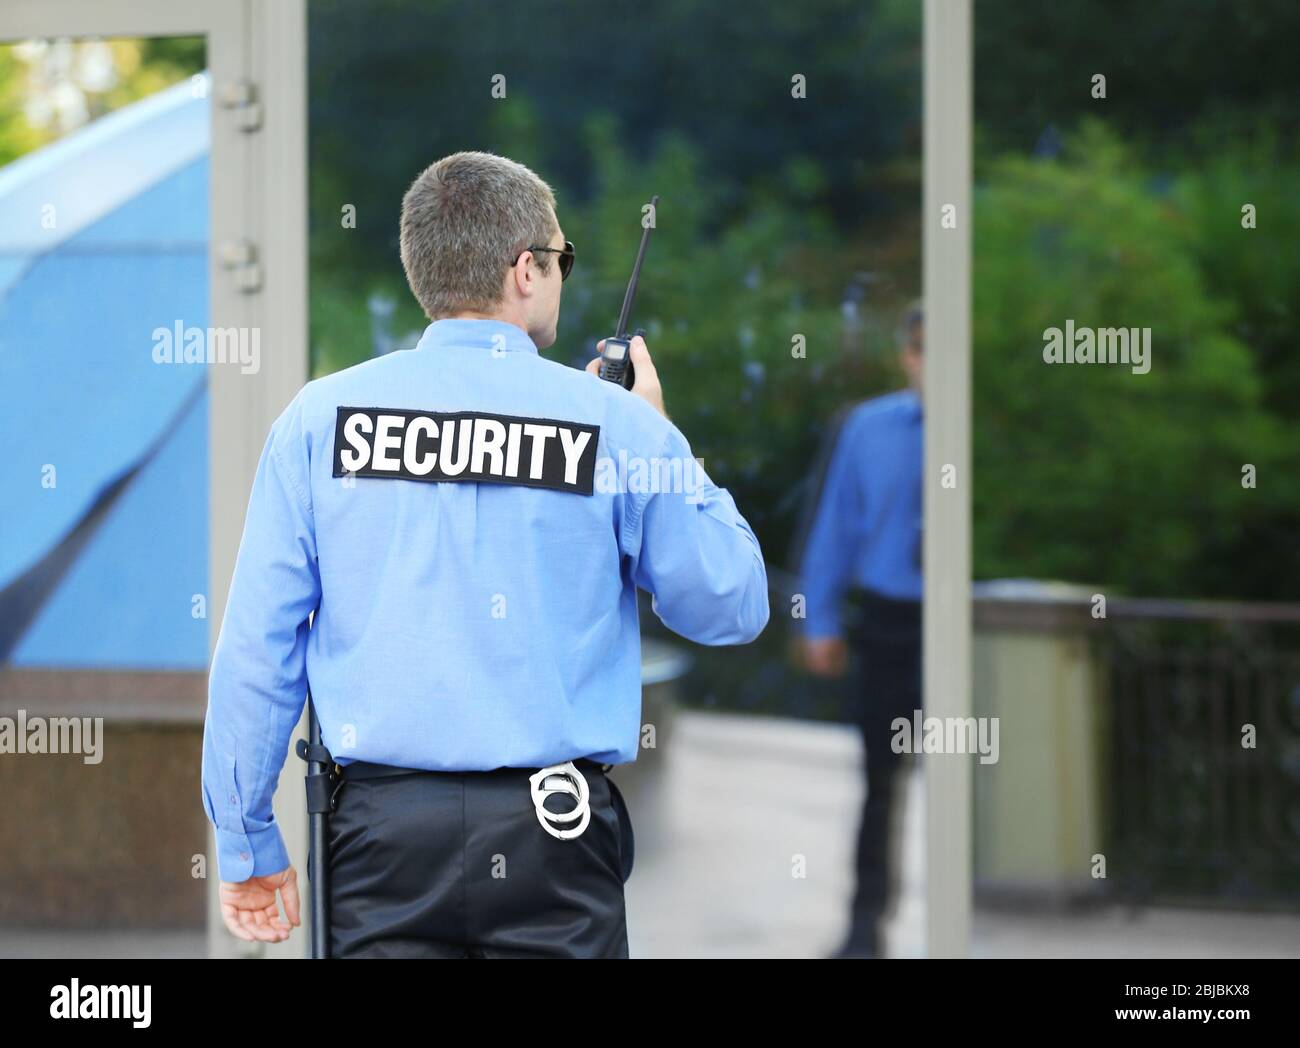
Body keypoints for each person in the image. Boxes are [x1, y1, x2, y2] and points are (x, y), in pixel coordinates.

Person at [200, 151, 770, 958]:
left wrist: (247, 838)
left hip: (379, 843)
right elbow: (731, 604)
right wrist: (660, 440)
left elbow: (257, 651)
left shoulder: (317, 422)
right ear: (525, 268)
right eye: (562, 257)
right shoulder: (615, 425)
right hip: (555, 840)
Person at [795, 302, 923, 958]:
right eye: (924, 351)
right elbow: (836, 524)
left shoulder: (989, 428)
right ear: (908, 353)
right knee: (880, 781)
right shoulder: (869, 428)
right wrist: (819, 617)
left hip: (964, 621)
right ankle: (865, 924)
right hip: (891, 622)